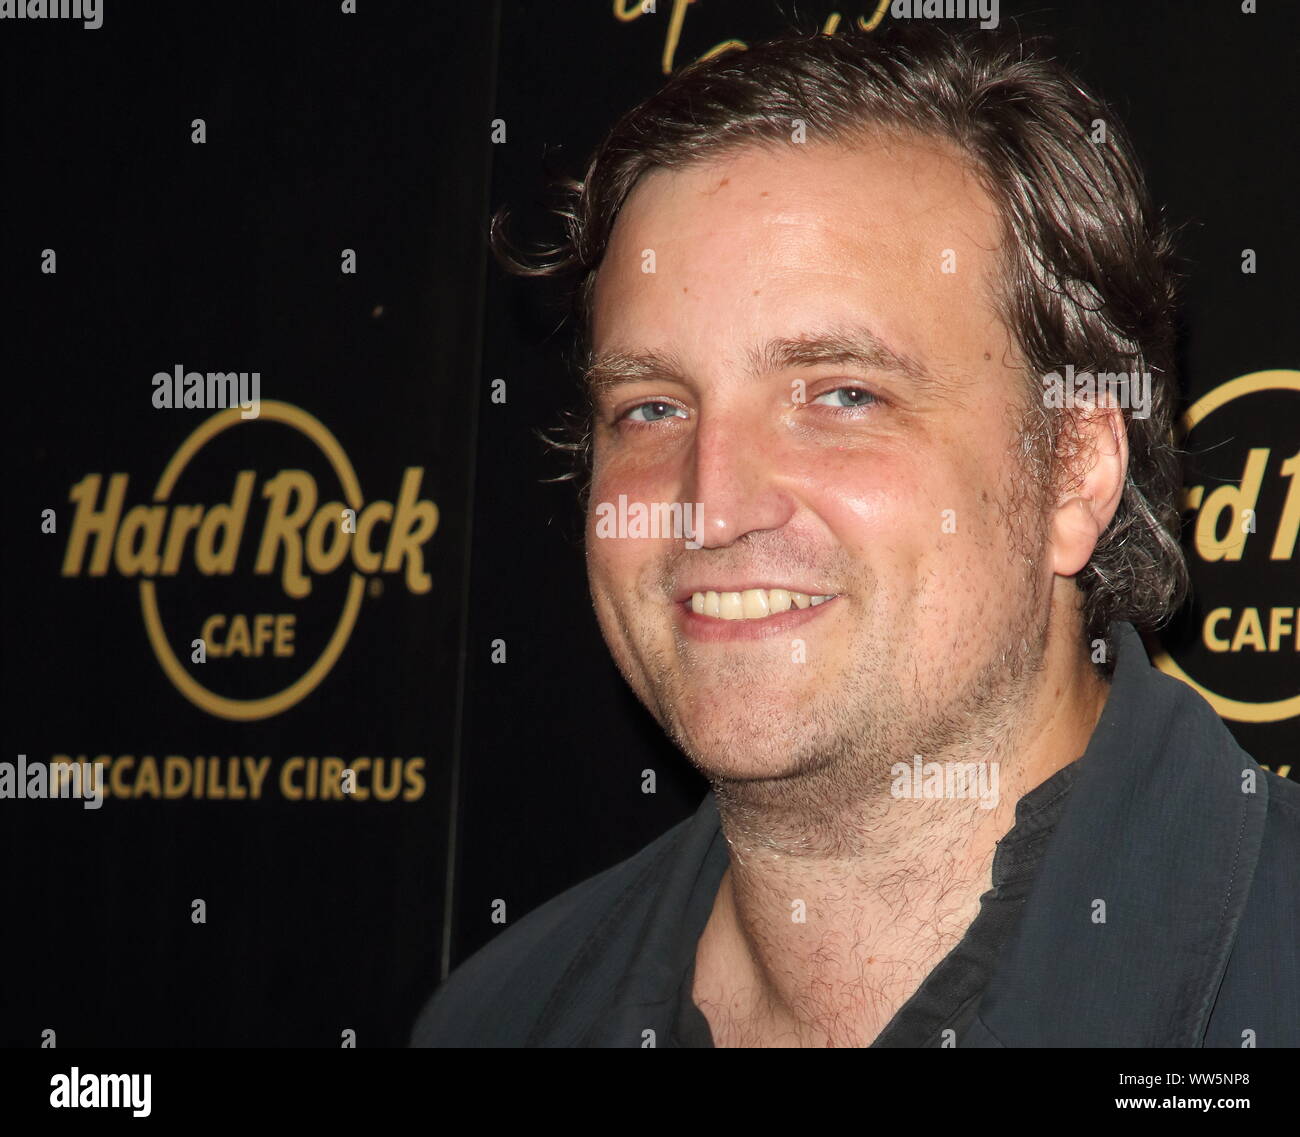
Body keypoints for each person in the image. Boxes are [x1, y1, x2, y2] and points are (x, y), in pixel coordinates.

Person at [412, 21, 1300, 1047]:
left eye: (840, 394)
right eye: (652, 408)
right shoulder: (499, 1020)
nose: (712, 503)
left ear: (1073, 469)